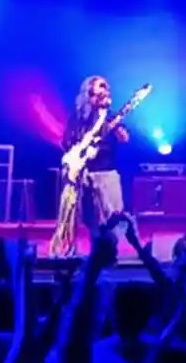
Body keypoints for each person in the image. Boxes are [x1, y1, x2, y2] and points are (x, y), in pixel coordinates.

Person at [50, 76, 128, 257]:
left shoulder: (111, 116)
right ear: (89, 93)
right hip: (82, 173)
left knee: (113, 216)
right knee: (87, 217)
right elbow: (66, 140)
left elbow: (124, 138)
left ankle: (111, 253)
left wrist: (116, 128)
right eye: (100, 88)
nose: (105, 91)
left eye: (106, 88)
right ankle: (91, 252)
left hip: (105, 171)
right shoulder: (78, 117)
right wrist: (76, 155)